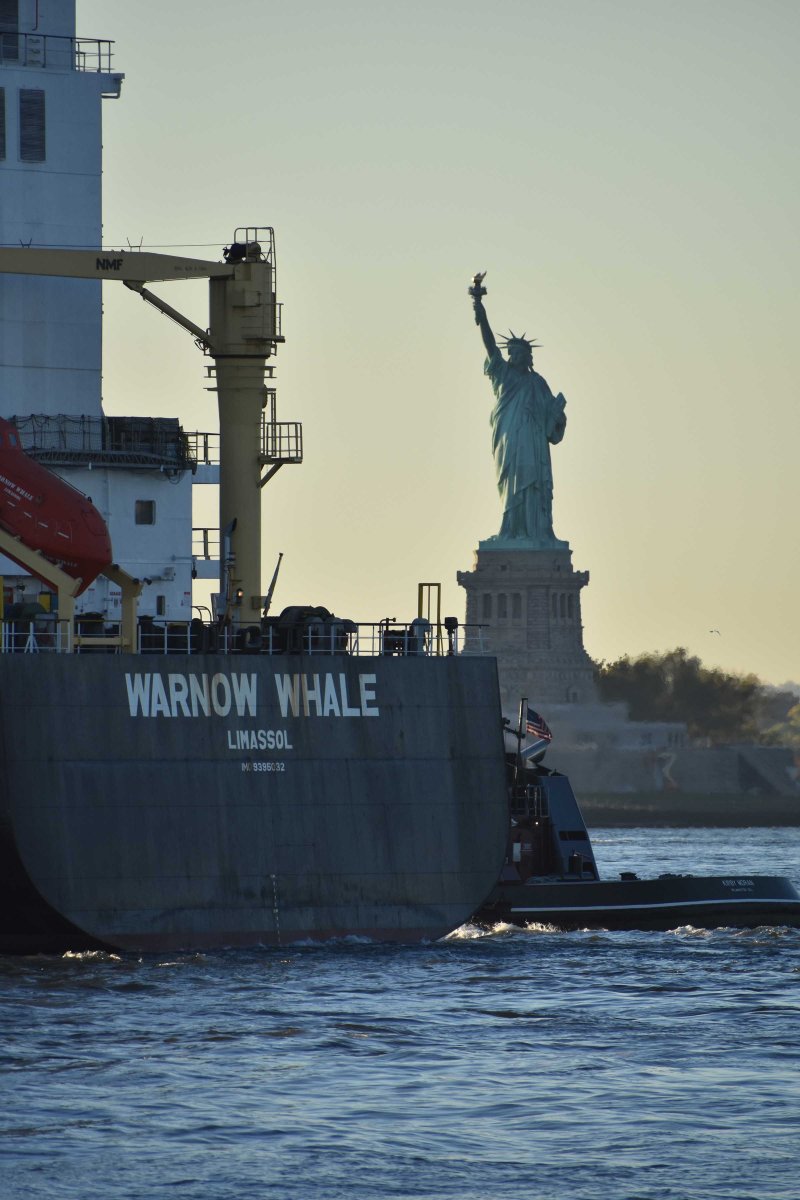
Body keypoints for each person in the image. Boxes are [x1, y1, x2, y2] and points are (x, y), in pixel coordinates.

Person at [472, 290, 566, 545]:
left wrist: (557, 414)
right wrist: (481, 313)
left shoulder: (538, 382)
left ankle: (535, 532)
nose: (514, 357)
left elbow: (552, 423)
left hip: (534, 443)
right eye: (512, 353)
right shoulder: (503, 375)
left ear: (528, 357)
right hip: (509, 438)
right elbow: (490, 346)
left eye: (519, 354)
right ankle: (511, 530)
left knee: (534, 485)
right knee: (512, 485)